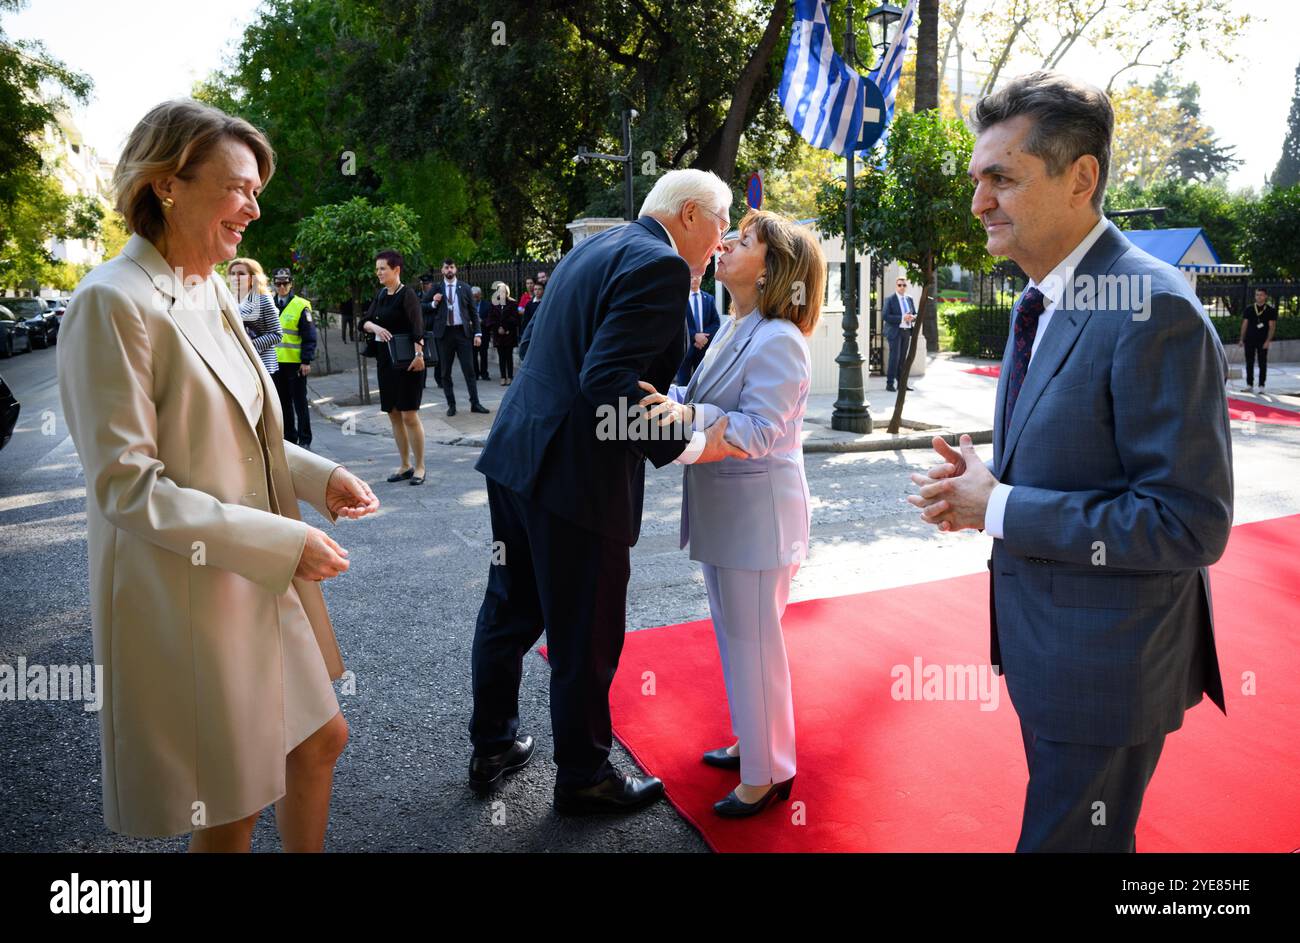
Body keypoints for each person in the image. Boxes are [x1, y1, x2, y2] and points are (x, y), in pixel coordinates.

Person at [909, 72, 1233, 852]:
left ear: (1081, 178)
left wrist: (1000, 506)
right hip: (1053, 653)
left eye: (1002, 178)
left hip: (1106, 671)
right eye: (977, 179)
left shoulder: (1152, 305)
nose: (979, 201)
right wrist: (980, 491)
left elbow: (1188, 524)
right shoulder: (1046, 296)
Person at [56, 98, 379, 851]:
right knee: (231, 803)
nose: (253, 208)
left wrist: (316, 474)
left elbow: (242, 428)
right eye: (239, 186)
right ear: (167, 183)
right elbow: (125, 486)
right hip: (192, 595)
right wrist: (281, 539)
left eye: (256, 189)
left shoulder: (206, 287)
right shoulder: (112, 300)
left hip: (256, 574)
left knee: (319, 740)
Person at [469, 169, 746, 814]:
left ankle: (492, 745)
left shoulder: (596, 247)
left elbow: (545, 349)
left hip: (517, 458)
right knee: (585, 635)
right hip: (574, 482)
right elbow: (607, 386)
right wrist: (688, 444)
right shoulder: (662, 267)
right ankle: (586, 776)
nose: (722, 238)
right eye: (720, 223)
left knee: (510, 609)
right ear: (686, 215)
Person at [640, 209, 823, 817]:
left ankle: (770, 774)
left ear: (771, 268)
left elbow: (761, 429)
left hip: (756, 517)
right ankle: (755, 740)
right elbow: (709, 396)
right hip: (730, 511)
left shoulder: (778, 337)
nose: (725, 244)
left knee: (755, 644)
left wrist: (685, 417)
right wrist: (675, 400)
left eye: (743, 241)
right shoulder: (738, 323)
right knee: (737, 639)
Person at [361, 250, 427, 485]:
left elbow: (418, 326)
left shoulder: (407, 294)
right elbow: (364, 321)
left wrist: (419, 355)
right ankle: (405, 465)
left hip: (408, 362)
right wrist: (375, 328)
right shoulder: (381, 295)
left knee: (409, 414)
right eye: (377, 268)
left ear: (396, 270)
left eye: (383, 269)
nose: (378, 272)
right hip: (385, 362)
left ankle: (420, 467)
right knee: (393, 413)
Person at [428, 257, 488, 417]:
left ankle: (475, 403)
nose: (449, 270)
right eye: (446, 268)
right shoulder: (436, 288)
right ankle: (451, 405)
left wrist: (478, 333)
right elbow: (422, 306)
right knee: (445, 372)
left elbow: (474, 312)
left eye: (451, 267)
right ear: (442, 271)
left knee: (469, 370)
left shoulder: (465, 287)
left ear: (456, 269)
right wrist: (433, 303)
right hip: (444, 334)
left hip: (463, 333)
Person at [272, 267, 316, 449]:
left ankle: (305, 439)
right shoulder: (268, 303)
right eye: (278, 283)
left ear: (291, 284)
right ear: (274, 284)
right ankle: (290, 438)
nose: (282, 287)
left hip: (295, 364)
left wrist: (306, 360)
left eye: (285, 283)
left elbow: (309, 336)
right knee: (283, 403)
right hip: (275, 364)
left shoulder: (301, 305)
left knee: (300, 403)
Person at [227, 256, 281, 376]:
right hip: (237, 364)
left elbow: (277, 334)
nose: (236, 277)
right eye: (232, 274)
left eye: (241, 274)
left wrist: (249, 346)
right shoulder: (228, 301)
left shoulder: (263, 300)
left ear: (253, 278)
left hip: (261, 364)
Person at [673, 273, 719, 385]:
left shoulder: (709, 299)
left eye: (697, 277)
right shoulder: (680, 299)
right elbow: (677, 323)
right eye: (691, 277)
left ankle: (697, 403)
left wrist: (703, 338)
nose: (694, 279)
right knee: (683, 383)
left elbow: (716, 323)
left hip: (704, 348)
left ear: (701, 278)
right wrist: (695, 336)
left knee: (702, 382)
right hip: (686, 349)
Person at [883, 274, 917, 392]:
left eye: (904, 285)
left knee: (903, 359)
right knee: (894, 358)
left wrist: (912, 317)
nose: (902, 287)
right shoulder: (890, 299)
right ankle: (890, 384)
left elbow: (915, 313)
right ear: (896, 286)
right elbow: (885, 316)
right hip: (894, 332)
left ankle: (902, 384)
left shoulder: (909, 299)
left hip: (906, 332)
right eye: (899, 285)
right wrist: (903, 318)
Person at [1240, 287, 1277, 393]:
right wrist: (1242, 339)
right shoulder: (1249, 309)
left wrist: (1267, 341)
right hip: (1249, 339)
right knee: (1249, 362)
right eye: (1257, 295)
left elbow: (1272, 327)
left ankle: (1261, 385)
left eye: (1261, 295)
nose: (1258, 297)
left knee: (1262, 363)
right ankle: (1249, 384)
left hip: (1262, 340)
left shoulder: (1270, 310)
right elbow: (1244, 324)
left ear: (1265, 296)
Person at [482, 281, 519, 385]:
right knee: (501, 357)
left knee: (509, 357)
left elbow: (515, 319)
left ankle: (510, 377)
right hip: (498, 335)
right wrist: (498, 328)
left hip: (509, 334)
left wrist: (505, 327)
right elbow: (491, 319)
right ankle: (503, 376)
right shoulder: (494, 304)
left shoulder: (513, 303)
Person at [417, 273, 442, 388]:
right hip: (423, 329)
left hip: (436, 329)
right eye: (423, 284)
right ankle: (422, 382)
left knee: (439, 356)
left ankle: (440, 380)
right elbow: (419, 307)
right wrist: (432, 304)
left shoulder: (438, 295)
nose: (424, 286)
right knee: (423, 356)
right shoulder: (418, 296)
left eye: (427, 284)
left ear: (431, 284)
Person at [472, 285, 491, 381]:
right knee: (473, 355)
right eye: (473, 296)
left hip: (484, 333)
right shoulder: (468, 305)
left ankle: (484, 373)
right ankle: (475, 374)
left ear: (480, 295)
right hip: (472, 333)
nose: (475, 298)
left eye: (476, 296)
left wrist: (482, 321)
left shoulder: (487, 304)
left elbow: (491, 318)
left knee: (484, 354)